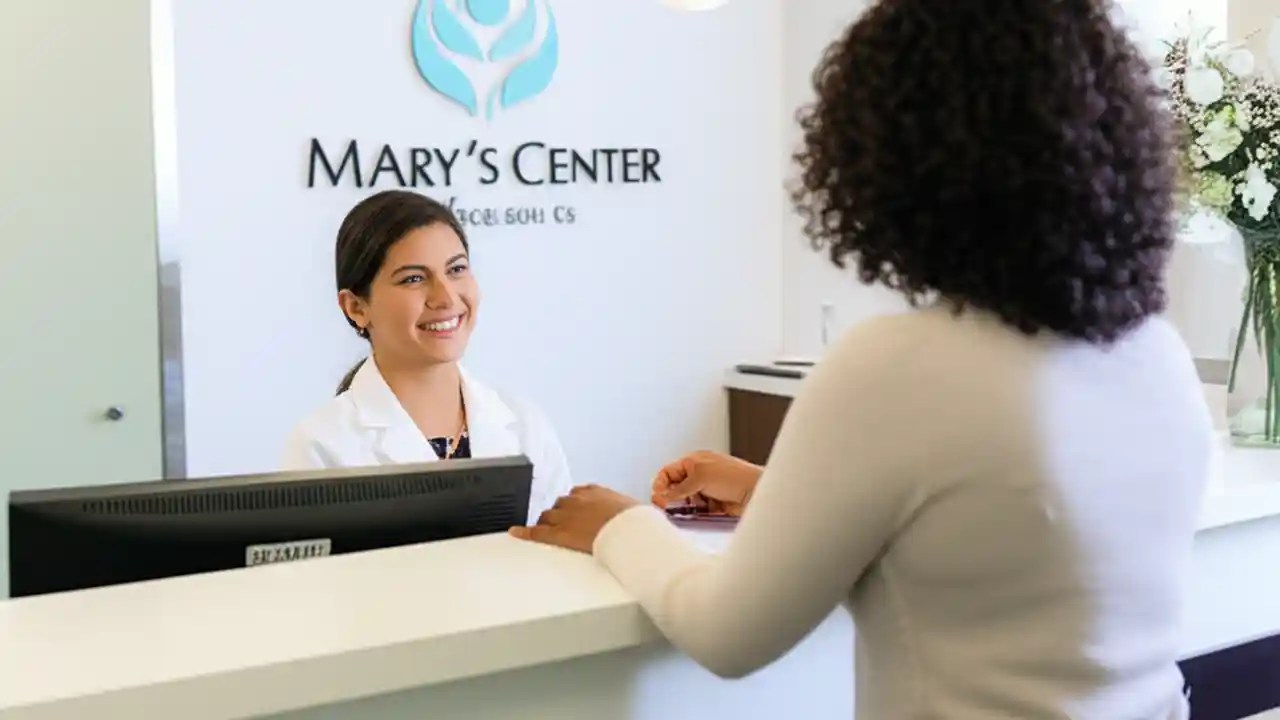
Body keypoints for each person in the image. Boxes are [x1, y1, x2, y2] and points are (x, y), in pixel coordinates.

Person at [511, 1, 1212, 718]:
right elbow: (995, 528)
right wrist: (775, 492)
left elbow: (728, 634)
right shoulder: (1155, 351)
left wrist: (620, 525)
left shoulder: (900, 365)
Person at [283, 190, 572, 522]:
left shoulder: (525, 424)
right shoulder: (322, 444)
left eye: (456, 269)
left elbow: (561, 559)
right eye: (414, 279)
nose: (445, 297)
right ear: (357, 308)